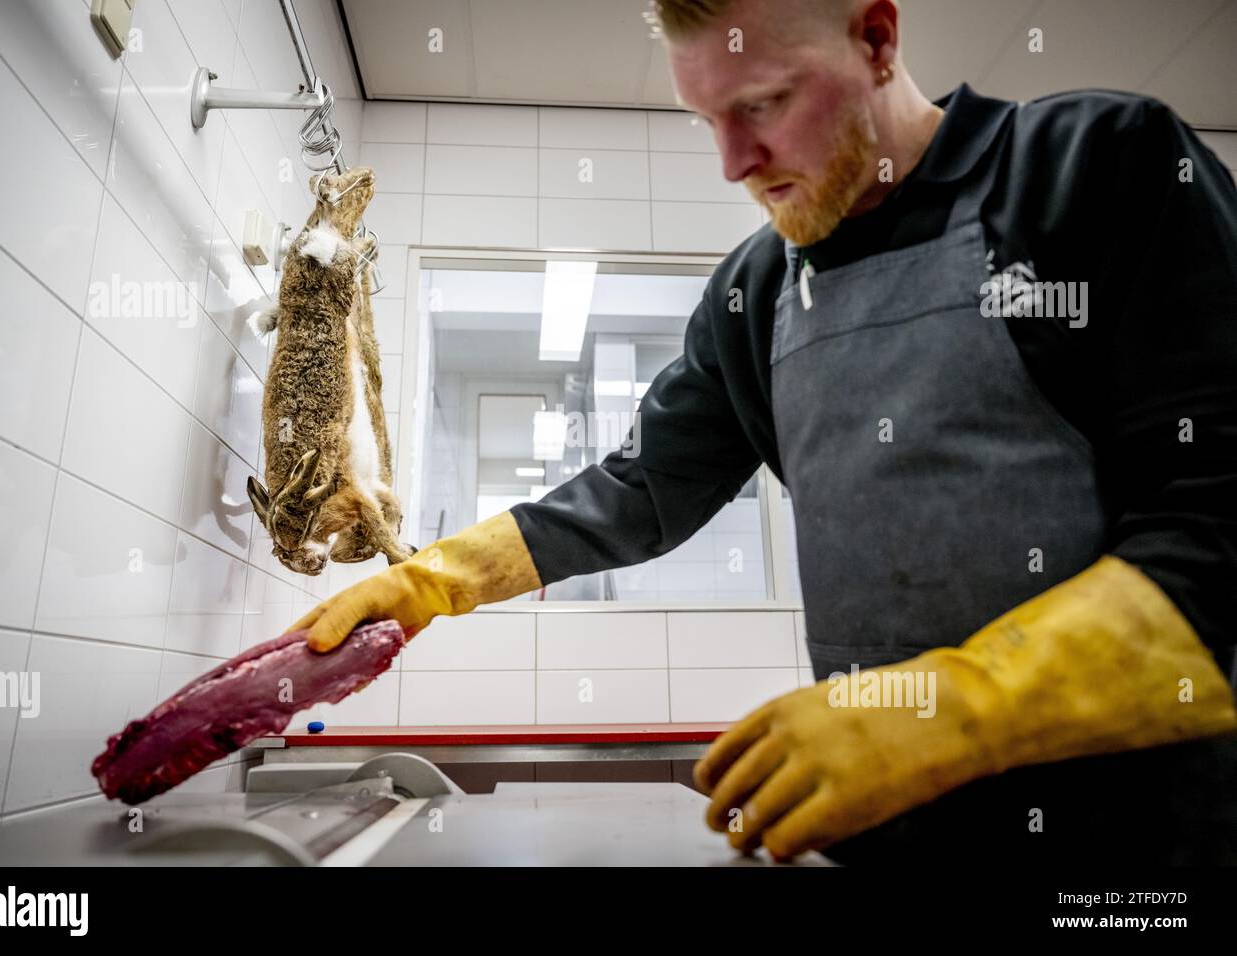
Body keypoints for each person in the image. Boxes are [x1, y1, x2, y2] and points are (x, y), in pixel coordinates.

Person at [283, 0, 1237, 863]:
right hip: (882, 844)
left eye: (764, 105)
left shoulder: (1096, 168)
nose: (734, 163)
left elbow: (1214, 531)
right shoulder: (758, 291)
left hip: (1147, 851)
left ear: (875, 38)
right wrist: (428, 581)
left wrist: (955, 708)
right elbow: (640, 487)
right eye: (707, 121)